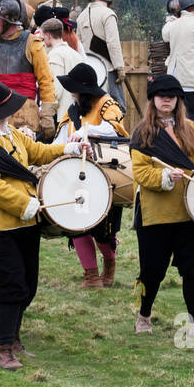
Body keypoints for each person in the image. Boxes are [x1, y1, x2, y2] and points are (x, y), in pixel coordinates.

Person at [0, 79, 87, 370]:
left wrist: (67, 148)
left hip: (23, 223)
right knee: (11, 283)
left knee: (28, 284)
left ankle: (13, 336)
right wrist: (23, 204)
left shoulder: (12, 134)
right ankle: (4, 348)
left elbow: (38, 152)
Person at [127, 74, 194, 338]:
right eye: (162, 96)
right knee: (152, 271)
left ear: (178, 100)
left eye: (171, 96)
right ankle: (144, 315)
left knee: (193, 269)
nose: (166, 100)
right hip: (156, 215)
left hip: (188, 213)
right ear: (153, 99)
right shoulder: (142, 133)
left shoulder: (191, 129)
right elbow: (140, 173)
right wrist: (164, 178)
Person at [54, 63, 128, 289]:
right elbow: (60, 140)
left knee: (103, 232)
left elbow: (114, 130)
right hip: (75, 175)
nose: (72, 93)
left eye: (74, 89)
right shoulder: (72, 110)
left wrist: (83, 133)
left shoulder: (107, 104)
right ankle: (91, 276)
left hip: (104, 174)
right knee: (76, 224)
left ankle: (109, 263)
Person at [0, 0, 58, 140]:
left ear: (8, 21)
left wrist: (47, 116)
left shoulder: (33, 43)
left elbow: (46, 82)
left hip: (24, 115)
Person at [76, 0, 125, 107]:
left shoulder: (82, 15)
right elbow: (113, 43)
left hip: (88, 69)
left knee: (92, 107)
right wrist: (119, 67)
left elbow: (78, 44)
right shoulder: (108, 14)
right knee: (117, 107)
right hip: (107, 69)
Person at [42, 18, 84, 120]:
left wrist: (47, 111)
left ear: (48, 35)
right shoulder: (75, 54)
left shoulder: (55, 54)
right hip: (77, 112)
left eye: (43, 36)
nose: (43, 39)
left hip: (62, 114)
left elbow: (56, 88)